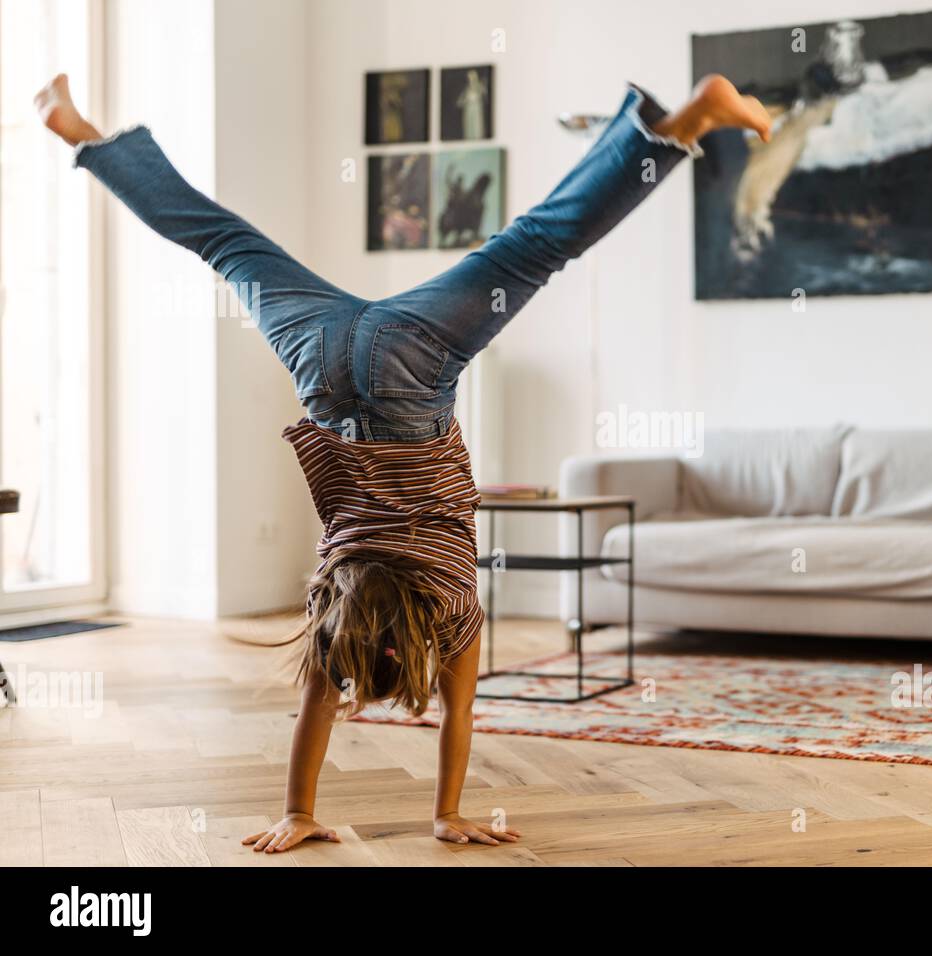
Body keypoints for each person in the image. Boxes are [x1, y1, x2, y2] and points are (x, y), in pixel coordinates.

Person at [35, 71, 770, 852]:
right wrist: (297, 812)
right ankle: (81, 133)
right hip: (322, 362)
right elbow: (316, 711)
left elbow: (460, 719)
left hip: (415, 369)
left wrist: (448, 814)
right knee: (224, 241)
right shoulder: (335, 612)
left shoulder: (450, 613)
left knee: (534, 245)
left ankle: (687, 122)